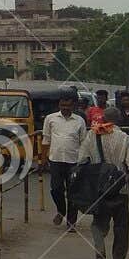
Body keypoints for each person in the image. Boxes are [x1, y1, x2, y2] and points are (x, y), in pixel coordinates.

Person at [78, 106, 129, 259]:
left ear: (103, 118)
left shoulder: (92, 135)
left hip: (98, 189)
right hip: (120, 189)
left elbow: (82, 161)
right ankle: (119, 258)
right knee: (121, 225)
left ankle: (99, 249)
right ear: (119, 119)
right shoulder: (125, 138)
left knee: (98, 223)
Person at [41, 87, 89, 230]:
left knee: (73, 192)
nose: (65, 108)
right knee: (56, 189)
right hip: (55, 160)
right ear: (59, 105)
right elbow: (46, 140)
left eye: (68, 106)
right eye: (63, 105)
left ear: (73, 106)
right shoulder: (50, 119)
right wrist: (43, 160)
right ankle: (61, 211)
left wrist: (84, 161)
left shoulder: (79, 121)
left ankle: (71, 222)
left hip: (73, 161)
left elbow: (84, 142)